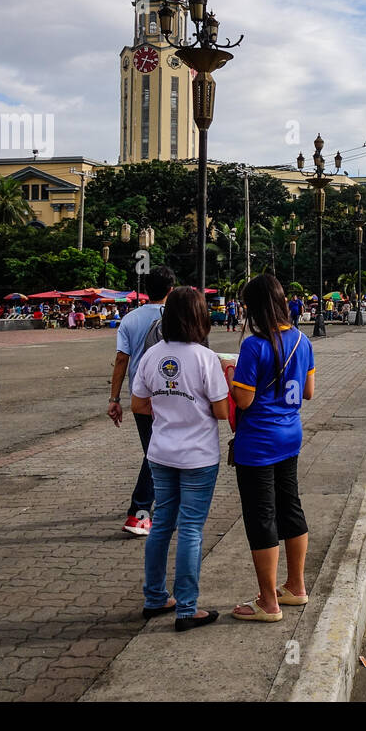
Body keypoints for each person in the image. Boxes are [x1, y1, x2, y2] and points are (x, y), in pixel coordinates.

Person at [131, 286, 230, 632]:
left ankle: (155, 596)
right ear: (200, 318)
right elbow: (220, 411)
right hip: (198, 457)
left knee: (161, 524)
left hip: (161, 453)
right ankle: (187, 608)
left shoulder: (151, 356)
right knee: (190, 528)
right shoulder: (205, 358)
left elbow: (138, 404)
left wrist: (167, 408)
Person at [229, 274, 316, 622]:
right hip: (290, 435)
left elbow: (244, 400)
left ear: (254, 307)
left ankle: (268, 602)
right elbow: (308, 391)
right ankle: (296, 586)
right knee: (290, 507)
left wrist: (231, 376)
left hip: (258, 444)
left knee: (261, 516)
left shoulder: (254, 345)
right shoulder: (301, 340)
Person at [107, 265, 177, 537]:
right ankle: (139, 512)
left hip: (140, 395)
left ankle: (157, 507)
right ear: (170, 290)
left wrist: (114, 398)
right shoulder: (175, 316)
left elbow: (121, 360)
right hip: (172, 393)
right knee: (157, 452)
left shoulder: (130, 319)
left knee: (157, 450)